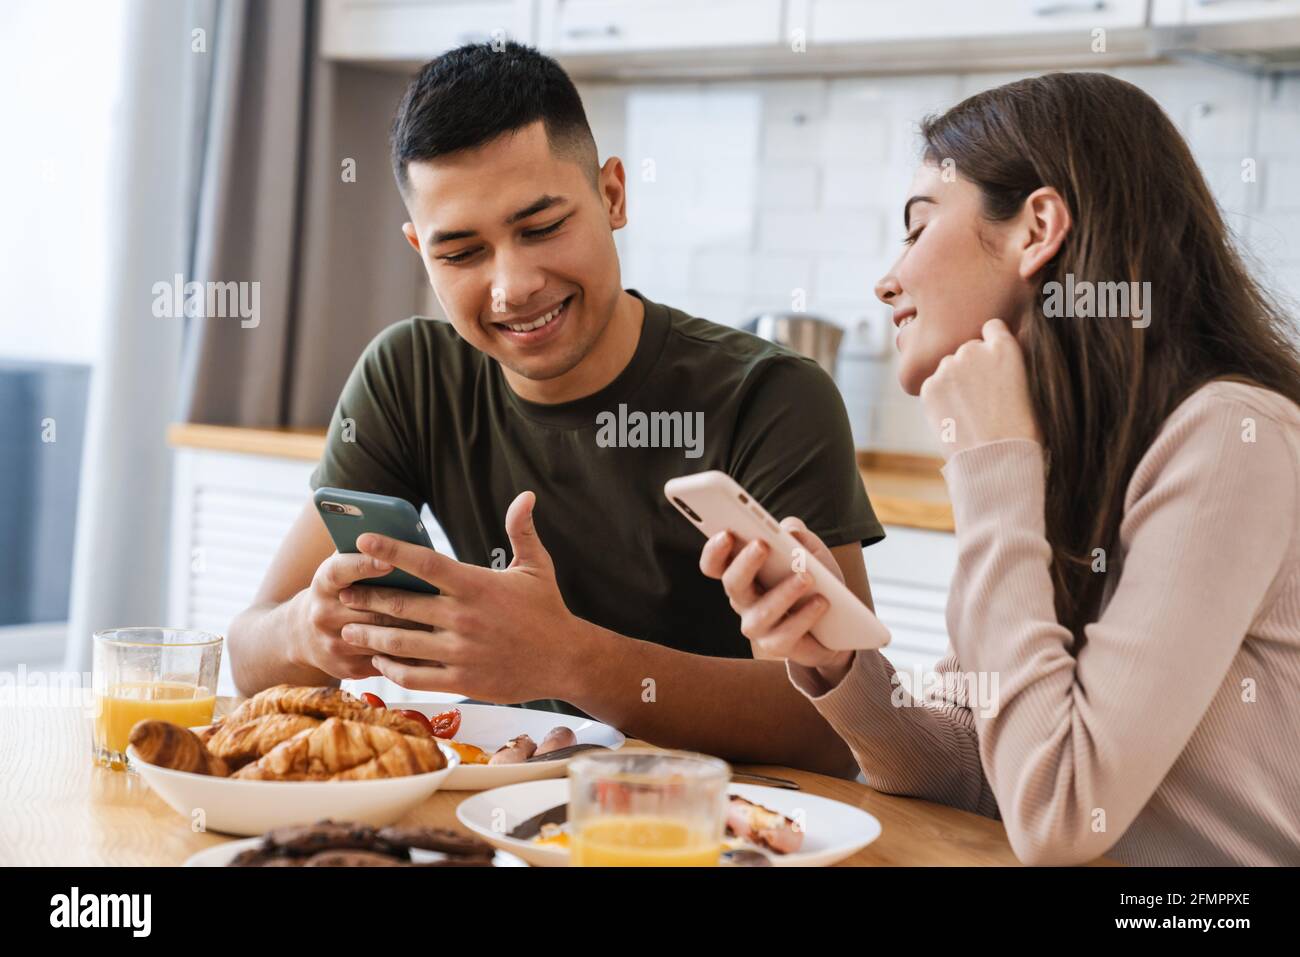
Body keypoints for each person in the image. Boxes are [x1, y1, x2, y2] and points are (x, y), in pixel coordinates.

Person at [226, 42, 883, 776]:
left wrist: (566, 658)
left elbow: (830, 728)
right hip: (511, 812)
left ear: (613, 196)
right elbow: (249, 658)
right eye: (462, 253)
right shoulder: (409, 376)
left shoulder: (770, 396)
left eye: (540, 228)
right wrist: (306, 633)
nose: (512, 286)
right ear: (421, 251)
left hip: (718, 830)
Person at [700, 72, 1300, 864]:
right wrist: (836, 657)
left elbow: (1060, 812)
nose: (888, 279)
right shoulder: (1066, 456)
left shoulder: (1230, 436)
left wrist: (994, 470)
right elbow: (983, 767)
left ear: (1036, 227)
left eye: (917, 230)